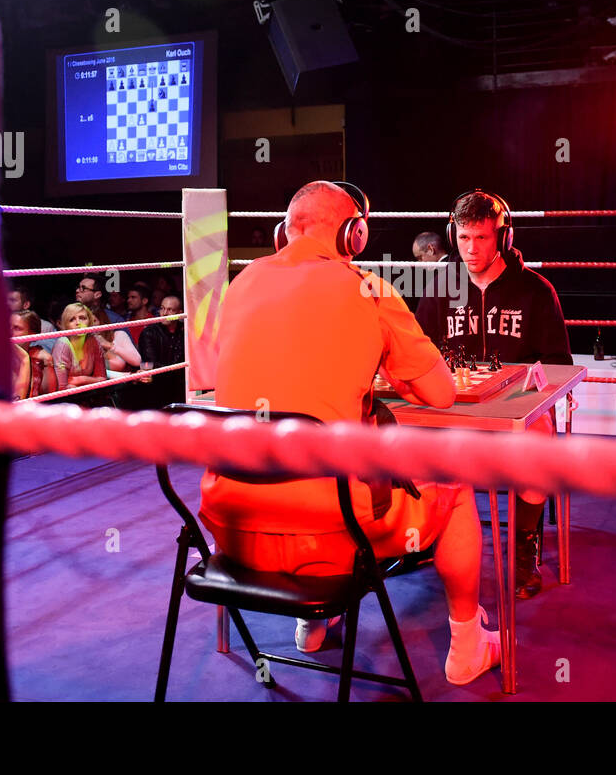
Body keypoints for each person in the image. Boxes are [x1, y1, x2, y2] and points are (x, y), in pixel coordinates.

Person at [202, 181, 500, 686]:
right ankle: (468, 645)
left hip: (231, 534)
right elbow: (443, 395)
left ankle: (313, 624)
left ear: (283, 235)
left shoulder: (240, 284)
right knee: (455, 482)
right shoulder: (370, 290)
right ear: (354, 236)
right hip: (332, 538)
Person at [416, 189, 573, 599]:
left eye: (482, 238)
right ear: (453, 236)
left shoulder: (536, 291)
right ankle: (425, 535)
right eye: (464, 238)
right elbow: (419, 354)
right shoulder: (438, 289)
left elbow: (558, 364)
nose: (471, 249)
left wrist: (526, 392)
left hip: (516, 417)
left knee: (539, 441)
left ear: (502, 237)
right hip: (454, 414)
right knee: (402, 442)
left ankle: (525, 550)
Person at [137, 294, 185, 408]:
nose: (164, 313)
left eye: (170, 310)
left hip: (178, 385)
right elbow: (150, 364)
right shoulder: (149, 333)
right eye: (162, 308)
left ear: (179, 313)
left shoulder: (184, 333)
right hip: (156, 385)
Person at [52, 302, 107, 390]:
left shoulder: (93, 341)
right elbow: (62, 388)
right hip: (67, 401)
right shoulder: (62, 344)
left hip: (89, 395)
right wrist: (92, 380)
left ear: (89, 322)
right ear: (66, 324)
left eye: (82, 318)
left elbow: (102, 378)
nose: (78, 323)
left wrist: (81, 379)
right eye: (72, 319)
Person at [11, 310, 55, 398]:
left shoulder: (37, 358)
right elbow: (17, 400)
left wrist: (48, 362)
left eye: (17, 328)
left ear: (33, 334)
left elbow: (49, 394)